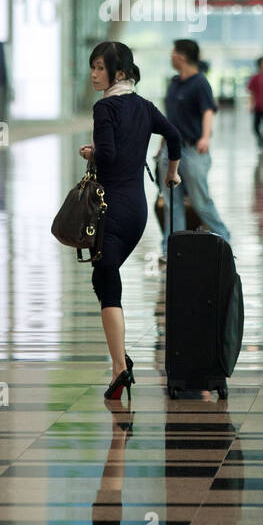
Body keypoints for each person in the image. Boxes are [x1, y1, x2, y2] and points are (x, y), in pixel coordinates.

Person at [81, 42, 180, 401]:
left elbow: (106, 156)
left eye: (99, 68)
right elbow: (174, 135)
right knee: (104, 275)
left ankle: (120, 366)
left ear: (118, 73)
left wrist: (91, 152)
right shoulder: (145, 106)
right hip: (136, 210)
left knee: (106, 280)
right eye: (92, 67)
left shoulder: (105, 107)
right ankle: (119, 363)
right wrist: (172, 173)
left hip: (110, 209)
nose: (93, 74)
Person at [159, 39, 231, 256]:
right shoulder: (173, 83)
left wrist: (205, 137)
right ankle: (172, 249)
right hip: (170, 152)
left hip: (193, 151)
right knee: (172, 203)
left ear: (181, 56)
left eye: (173, 53)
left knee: (200, 201)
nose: (171, 57)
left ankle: (224, 241)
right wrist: (162, 145)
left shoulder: (200, 83)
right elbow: (169, 118)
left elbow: (208, 110)